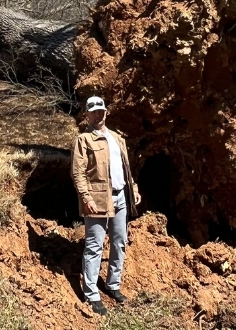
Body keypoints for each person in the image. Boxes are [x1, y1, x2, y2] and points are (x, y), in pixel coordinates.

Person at [71, 95, 141, 316]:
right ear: (87, 115)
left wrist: (134, 188)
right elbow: (77, 172)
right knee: (94, 246)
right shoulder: (83, 141)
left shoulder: (118, 139)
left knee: (119, 242)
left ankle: (113, 285)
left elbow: (125, 169)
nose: (98, 114)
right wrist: (86, 197)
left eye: (101, 110)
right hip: (98, 199)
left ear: (106, 112)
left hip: (121, 197)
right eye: (93, 111)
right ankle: (91, 294)